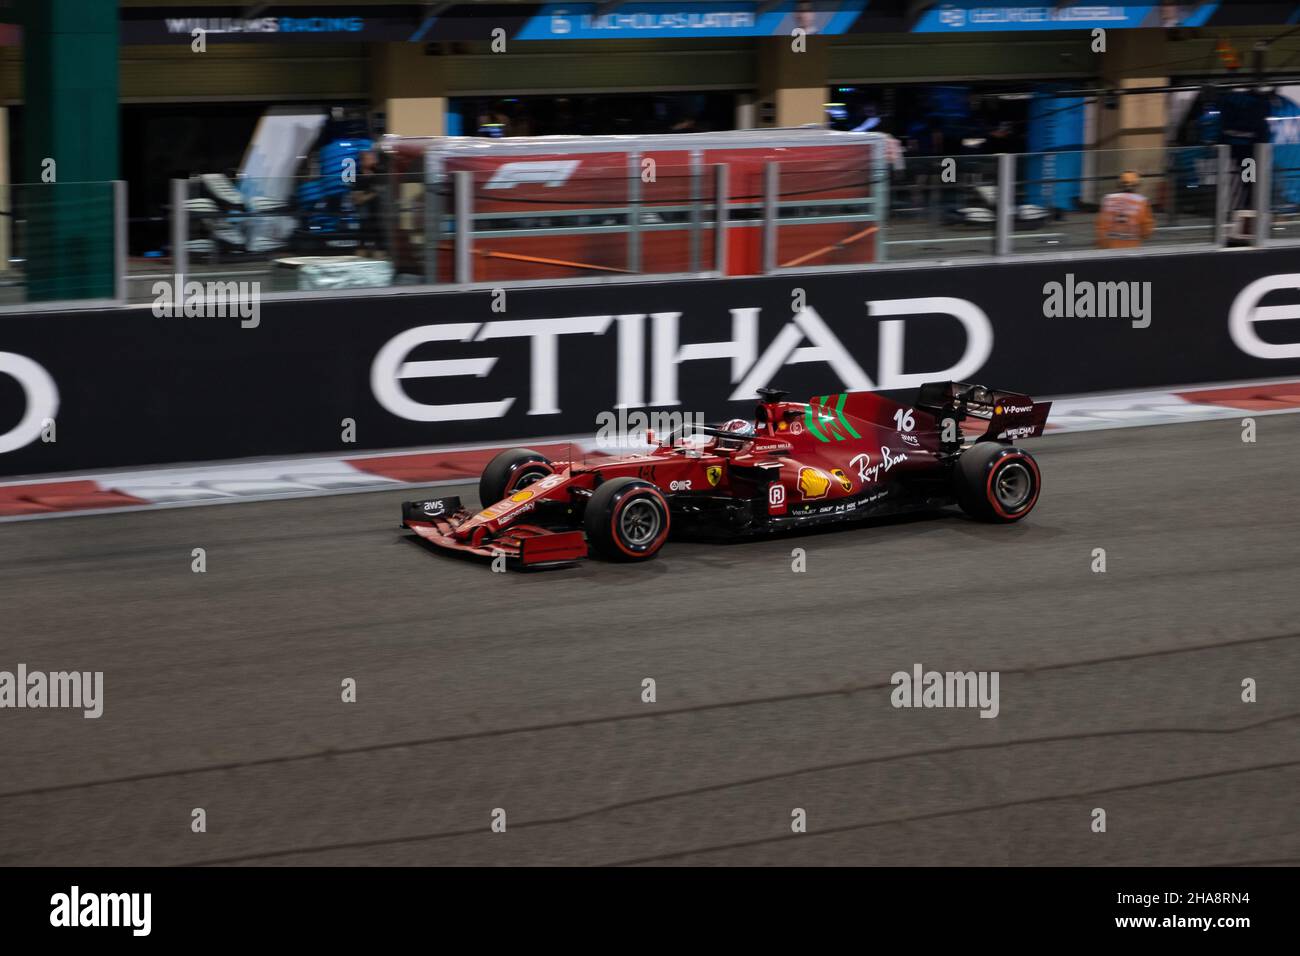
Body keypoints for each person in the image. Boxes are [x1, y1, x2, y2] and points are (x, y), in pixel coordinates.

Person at [1096, 170, 1155, 249]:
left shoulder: (1108, 199)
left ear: (1119, 184)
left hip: (1108, 249)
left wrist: (1101, 245)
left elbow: (1101, 226)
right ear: (1137, 185)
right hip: (1130, 249)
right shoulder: (1141, 202)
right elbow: (1146, 230)